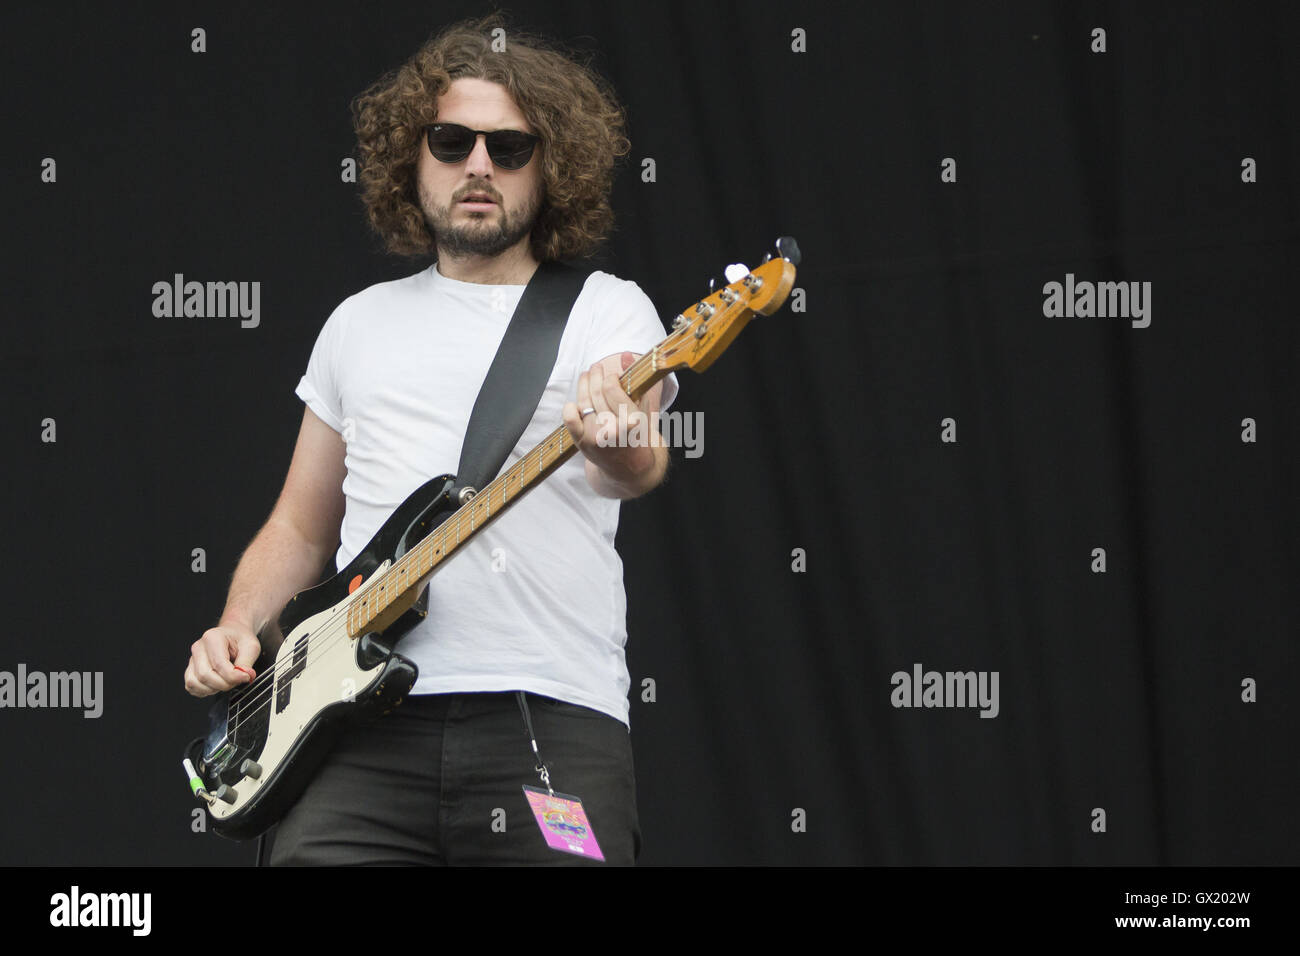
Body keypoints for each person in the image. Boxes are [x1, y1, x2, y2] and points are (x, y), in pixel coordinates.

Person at [182, 15, 678, 865]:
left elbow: (637, 468)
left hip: (549, 709)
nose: (478, 165)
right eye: (451, 142)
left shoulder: (607, 308)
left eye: (509, 148)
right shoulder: (357, 324)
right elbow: (301, 527)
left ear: (549, 167)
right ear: (411, 160)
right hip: (353, 729)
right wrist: (237, 622)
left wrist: (618, 438)